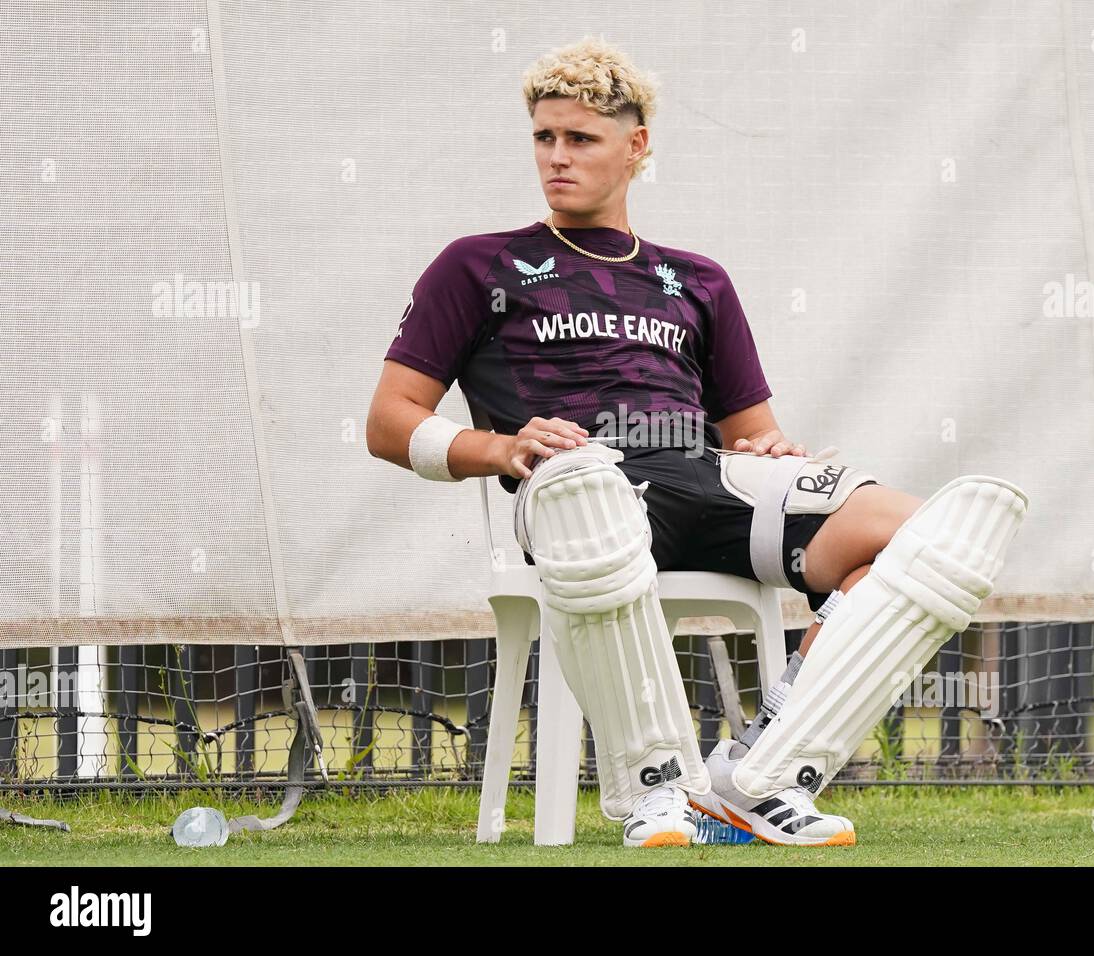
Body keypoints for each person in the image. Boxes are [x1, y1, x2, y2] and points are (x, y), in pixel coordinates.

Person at [367, 37, 1027, 847]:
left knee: (944, 538)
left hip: (706, 482)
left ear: (636, 146)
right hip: (578, 492)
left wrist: (781, 455)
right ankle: (658, 788)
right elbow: (390, 420)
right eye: (544, 137)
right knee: (584, 492)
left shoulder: (697, 279)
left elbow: (752, 435)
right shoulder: (479, 265)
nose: (556, 158)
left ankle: (761, 776)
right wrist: (500, 450)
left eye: (580, 139)